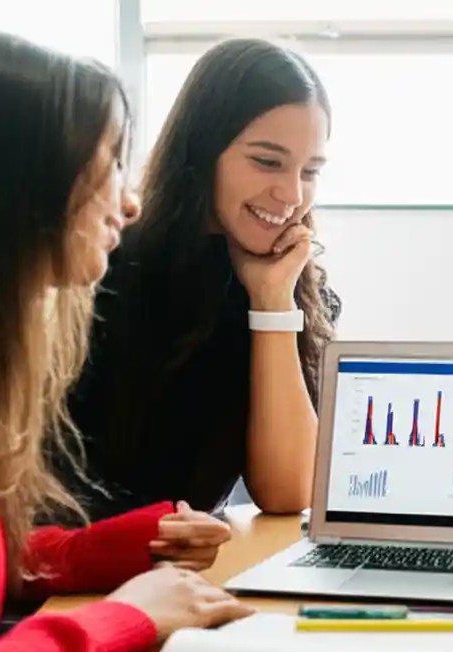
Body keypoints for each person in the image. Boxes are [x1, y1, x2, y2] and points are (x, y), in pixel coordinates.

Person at [0, 33, 252, 652]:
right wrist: (124, 618)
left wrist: (92, 552)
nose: (131, 202)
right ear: (22, 183)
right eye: (111, 163)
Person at [62, 38, 340, 520]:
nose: (292, 194)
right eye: (267, 162)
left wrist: (272, 304)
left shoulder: (298, 288)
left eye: (310, 171)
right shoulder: (106, 269)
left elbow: (289, 492)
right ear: (203, 150)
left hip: (190, 565)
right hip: (91, 567)